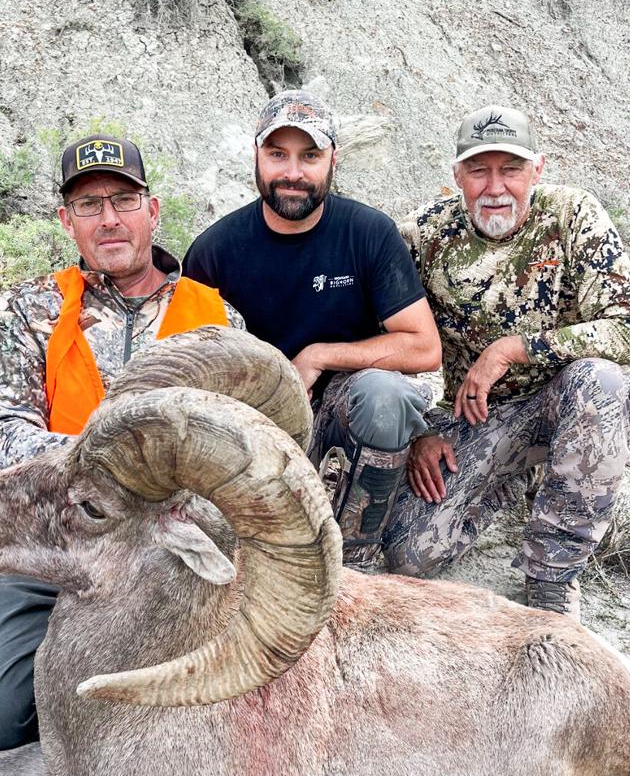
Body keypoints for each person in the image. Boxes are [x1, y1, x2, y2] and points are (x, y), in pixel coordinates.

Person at [0, 134, 243, 751]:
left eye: (123, 200)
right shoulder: (31, 308)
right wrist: (98, 469)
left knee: (220, 701)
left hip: (161, 547)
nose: (108, 219)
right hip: (49, 532)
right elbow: (1, 427)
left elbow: (236, 443)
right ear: (66, 221)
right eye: (88, 204)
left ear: (152, 212)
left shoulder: (218, 321)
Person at [382, 105, 630, 621]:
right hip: (479, 416)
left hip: (566, 404)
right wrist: (416, 432)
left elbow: (629, 330)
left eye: (511, 169)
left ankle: (553, 573)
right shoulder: (421, 236)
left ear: (538, 170)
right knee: (409, 555)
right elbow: (385, 339)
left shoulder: (574, 217)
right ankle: (510, 477)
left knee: (602, 381)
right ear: (457, 174)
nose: (495, 186)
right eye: (479, 170)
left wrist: (512, 348)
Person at [183, 90, 441, 568]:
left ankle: (354, 560)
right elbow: (197, 372)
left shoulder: (368, 233)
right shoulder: (213, 251)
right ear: (256, 157)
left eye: (310, 156)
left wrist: (320, 355)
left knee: (388, 395)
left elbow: (424, 348)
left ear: (333, 161)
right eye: (278, 154)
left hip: (343, 418)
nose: (294, 173)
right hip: (258, 426)